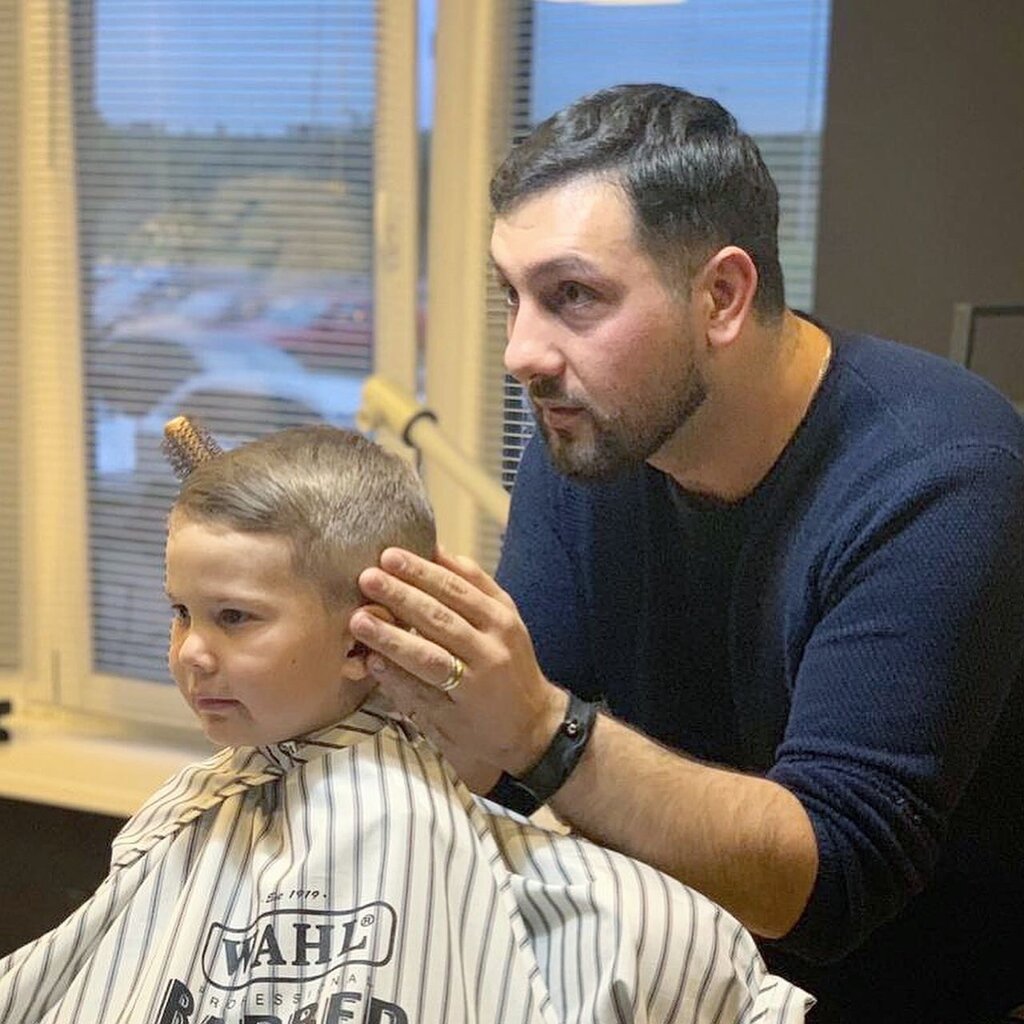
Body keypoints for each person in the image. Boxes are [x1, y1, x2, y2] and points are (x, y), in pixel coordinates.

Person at [347, 85, 1024, 1022]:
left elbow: (829, 887)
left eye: (572, 295)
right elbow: (495, 764)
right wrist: (337, 678)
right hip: (675, 981)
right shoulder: (594, 437)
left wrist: (546, 730)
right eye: (515, 296)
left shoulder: (942, 475)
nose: (523, 352)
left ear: (722, 296)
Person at [0, 423, 809, 1024]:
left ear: (366, 640)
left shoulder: (411, 823)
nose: (191, 654)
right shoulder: (195, 808)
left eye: (236, 618)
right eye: (183, 613)